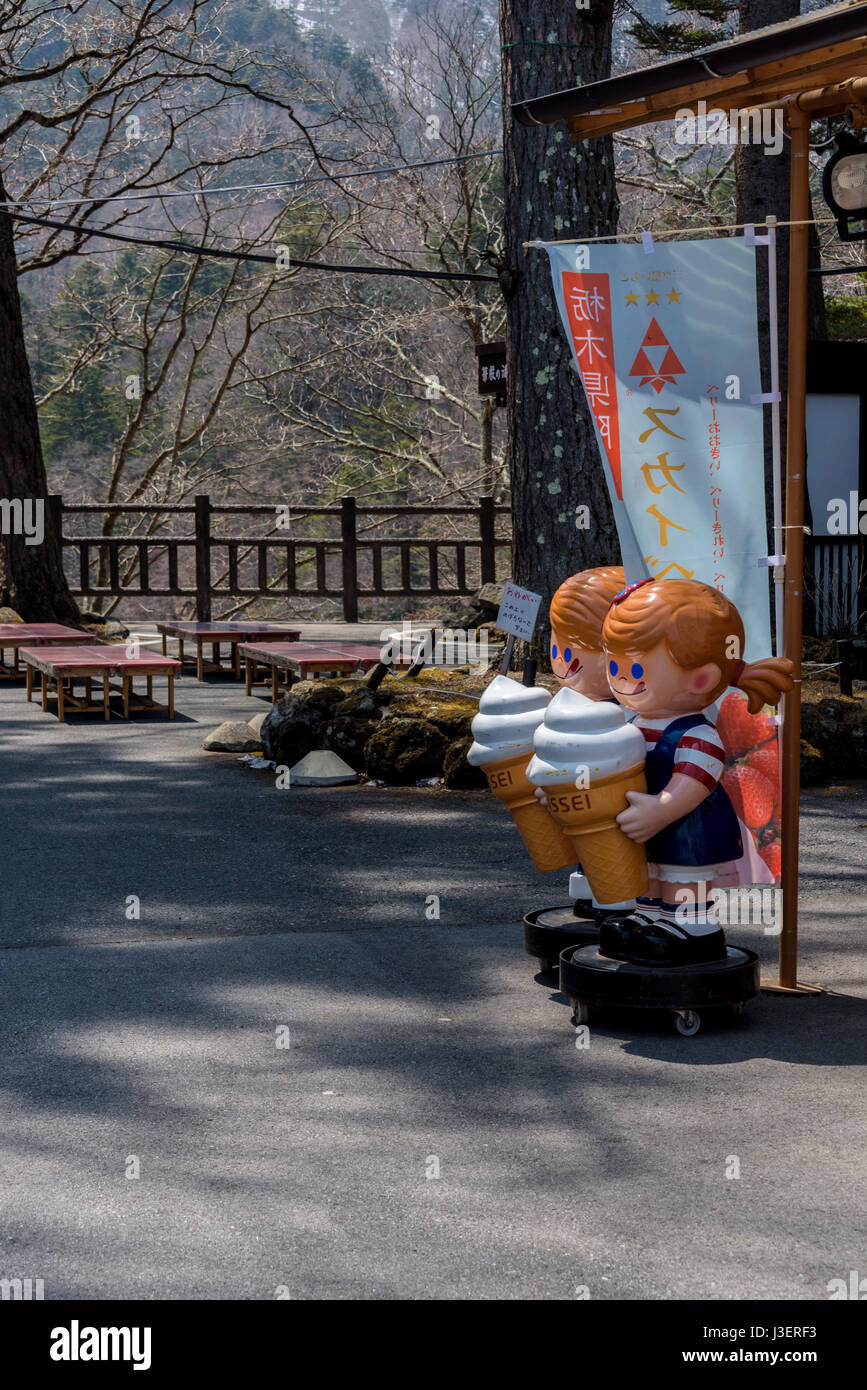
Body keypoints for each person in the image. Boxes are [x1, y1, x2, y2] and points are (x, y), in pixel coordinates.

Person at [599, 577, 793, 966]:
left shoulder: (697, 732)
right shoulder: (632, 722)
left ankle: (691, 926)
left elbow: (695, 780)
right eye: (614, 664)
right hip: (646, 823)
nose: (622, 678)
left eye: (635, 667)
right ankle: (649, 916)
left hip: (688, 825)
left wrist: (662, 809)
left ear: (702, 677)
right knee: (651, 872)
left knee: (682, 875)